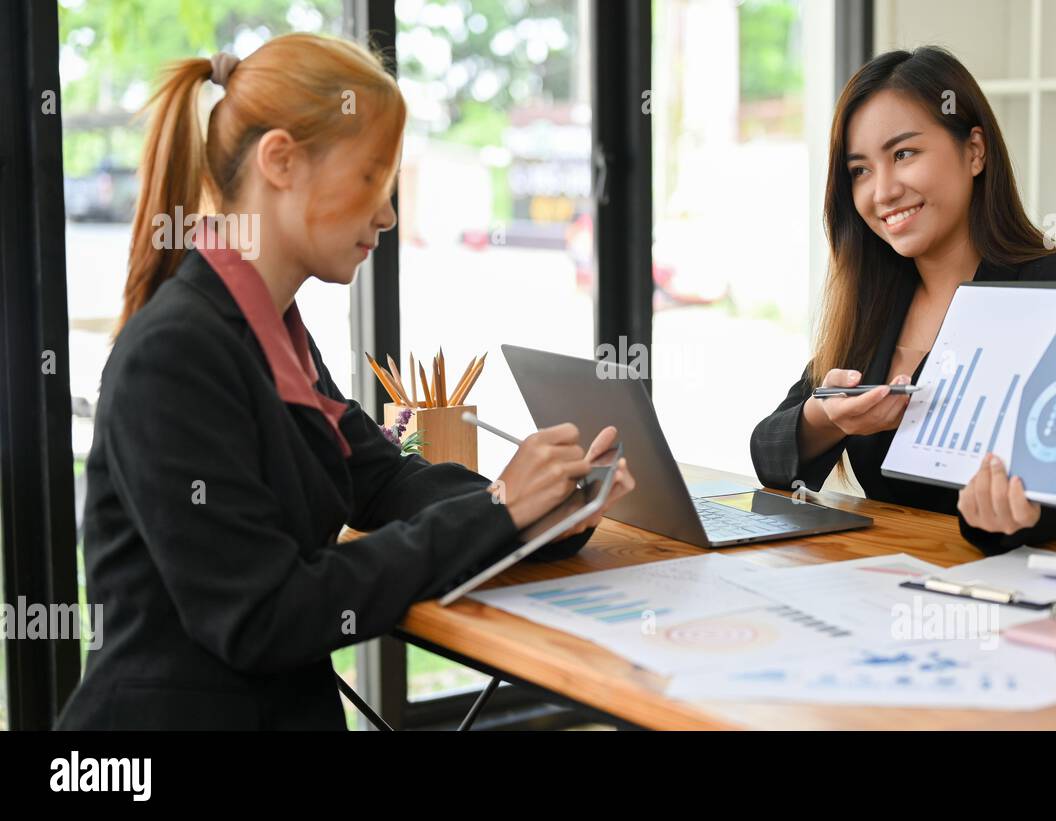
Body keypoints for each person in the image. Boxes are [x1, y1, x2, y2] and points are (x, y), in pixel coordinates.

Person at [56, 33, 634, 730]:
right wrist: (498, 511)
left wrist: (548, 510)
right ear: (280, 161)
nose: (388, 214)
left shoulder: (272, 328)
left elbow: (384, 480)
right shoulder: (176, 355)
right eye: (371, 178)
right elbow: (263, 615)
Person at [750, 46, 1056, 555]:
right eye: (860, 170)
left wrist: (1011, 512)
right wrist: (826, 417)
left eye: (903, 154)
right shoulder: (878, 306)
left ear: (974, 151)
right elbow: (769, 454)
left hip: (1006, 597)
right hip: (881, 588)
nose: (882, 191)